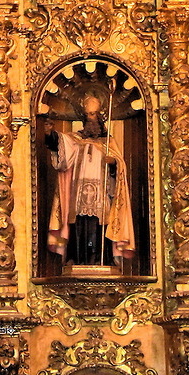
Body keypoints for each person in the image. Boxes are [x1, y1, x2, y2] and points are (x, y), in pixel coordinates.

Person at [45, 95, 135, 265]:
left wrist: (114, 163)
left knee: (99, 227)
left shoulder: (108, 142)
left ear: (100, 117)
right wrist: (51, 135)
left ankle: (103, 261)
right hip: (78, 196)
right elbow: (62, 150)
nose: (90, 120)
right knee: (79, 226)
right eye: (87, 116)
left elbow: (120, 168)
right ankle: (78, 260)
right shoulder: (76, 140)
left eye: (93, 115)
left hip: (102, 195)